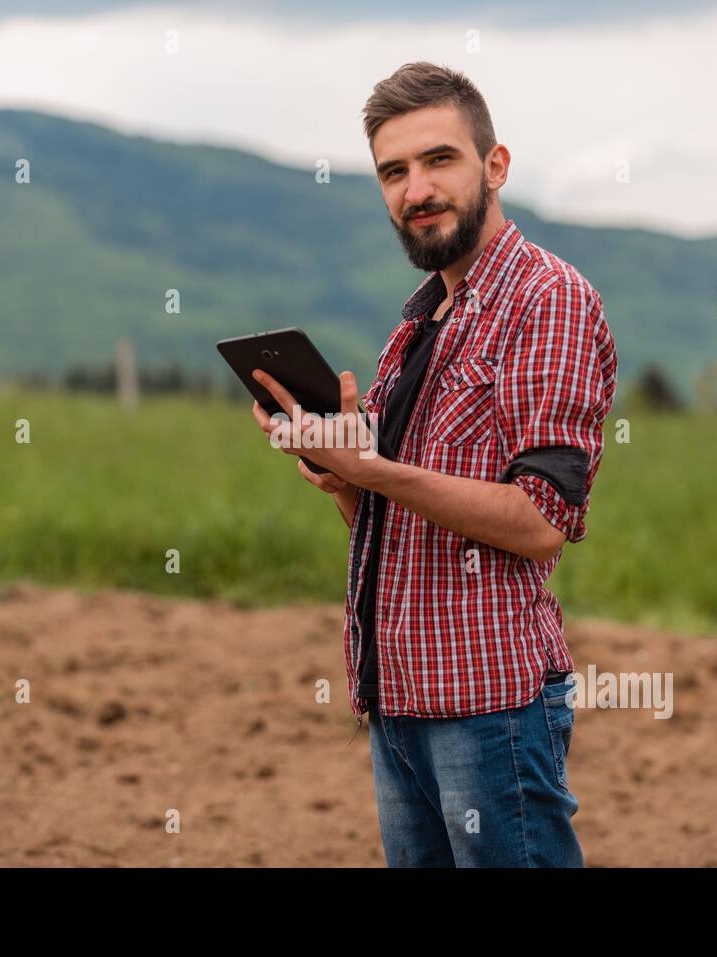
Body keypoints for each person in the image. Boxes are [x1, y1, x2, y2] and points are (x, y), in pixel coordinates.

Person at [250, 61, 617, 867]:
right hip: (398, 699)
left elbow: (541, 522)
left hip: (489, 708)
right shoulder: (420, 324)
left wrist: (375, 470)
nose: (416, 188)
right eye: (393, 171)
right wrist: (345, 477)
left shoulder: (547, 299)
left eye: (438, 159)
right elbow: (400, 520)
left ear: (495, 166)